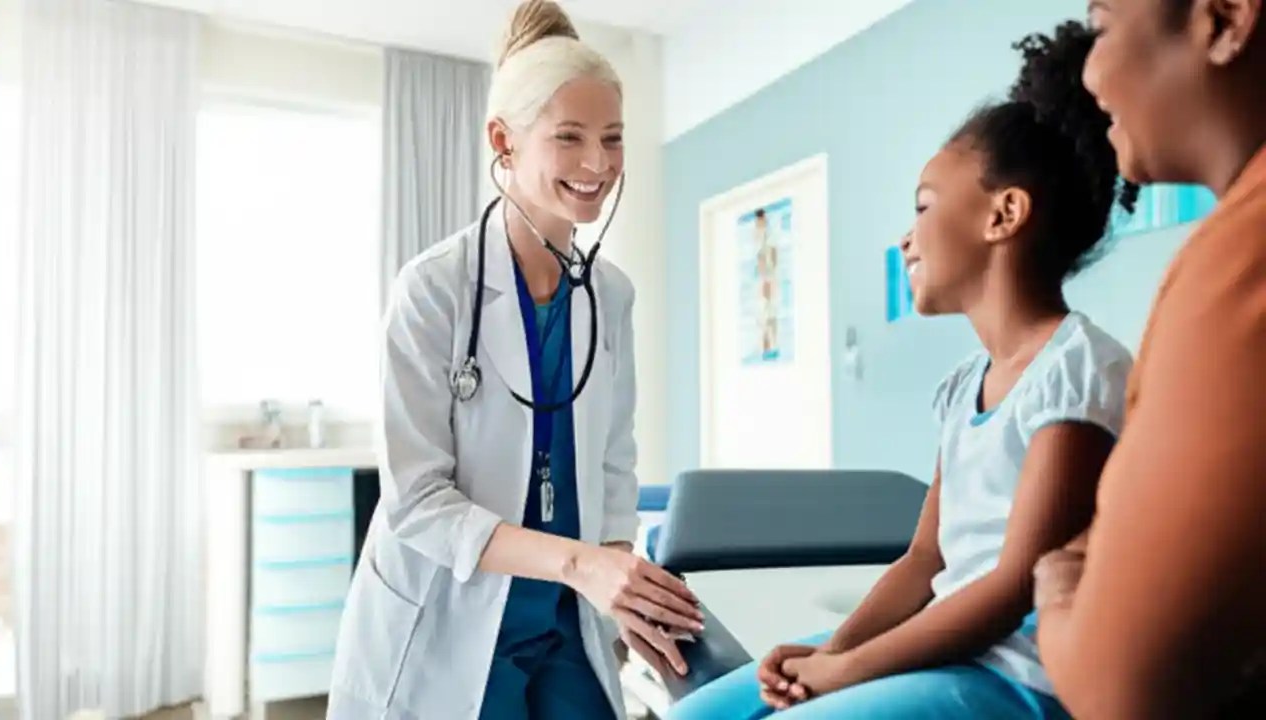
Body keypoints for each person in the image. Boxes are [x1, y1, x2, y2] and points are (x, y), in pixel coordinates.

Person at [668, 21, 1135, 719]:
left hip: (1020, 678)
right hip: (957, 651)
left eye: (923, 205)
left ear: (1004, 214)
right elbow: (924, 561)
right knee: (696, 714)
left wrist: (847, 671)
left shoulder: (1076, 371)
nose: (906, 235)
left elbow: (1013, 586)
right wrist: (831, 657)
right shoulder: (960, 391)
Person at [326, 2, 702, 718]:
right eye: (569, 138)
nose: (598, 164)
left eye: (613, 139)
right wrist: (582, 563)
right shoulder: (433, 289)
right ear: (503, 139)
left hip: (564, 620)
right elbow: (417, 501)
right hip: (446, 617)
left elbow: (614, 463)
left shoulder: (610, 296)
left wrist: (619, 582)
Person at [1033, 1, 1266, 717]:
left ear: (1225, 17)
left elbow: (1121, 689)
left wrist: (1061, 581)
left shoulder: (1237, 263)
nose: (1091, 72)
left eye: (1101, 28)